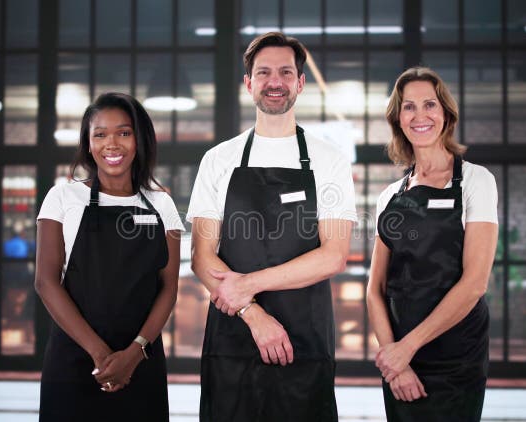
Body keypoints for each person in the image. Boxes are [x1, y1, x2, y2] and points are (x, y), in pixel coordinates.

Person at [187, 32, 357, 421]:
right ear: (248, 84)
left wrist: (249, 284)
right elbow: (202, 257)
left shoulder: (328, 160)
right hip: (233, 337)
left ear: (300, 82)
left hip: (304, 340)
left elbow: (333, 256)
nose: (274, 81)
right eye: (263, 72)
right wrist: (253, 313)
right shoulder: (218, 159)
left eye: (285, 72)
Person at [35, 92, 184, 421]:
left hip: (141, 360)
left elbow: (168, 289)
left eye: (124, 132)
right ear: (88, 144)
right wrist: (101, 355)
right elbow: (46, 282)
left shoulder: (162, 206)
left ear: (139, 139)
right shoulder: (63, 197)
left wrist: (134, 353)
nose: (111, 144)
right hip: (75, 360)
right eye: (100, 134)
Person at [366, 66, 499, 421]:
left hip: (456, 354)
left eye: (430, 104)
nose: (420, 115)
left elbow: (474, 284)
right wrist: (396, 363)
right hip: (400, 356)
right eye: (409, 107)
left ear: (446, 114)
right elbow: (375, 290)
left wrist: (406, 348)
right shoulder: (390, 196)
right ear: (398, 118)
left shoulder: (475, 181)